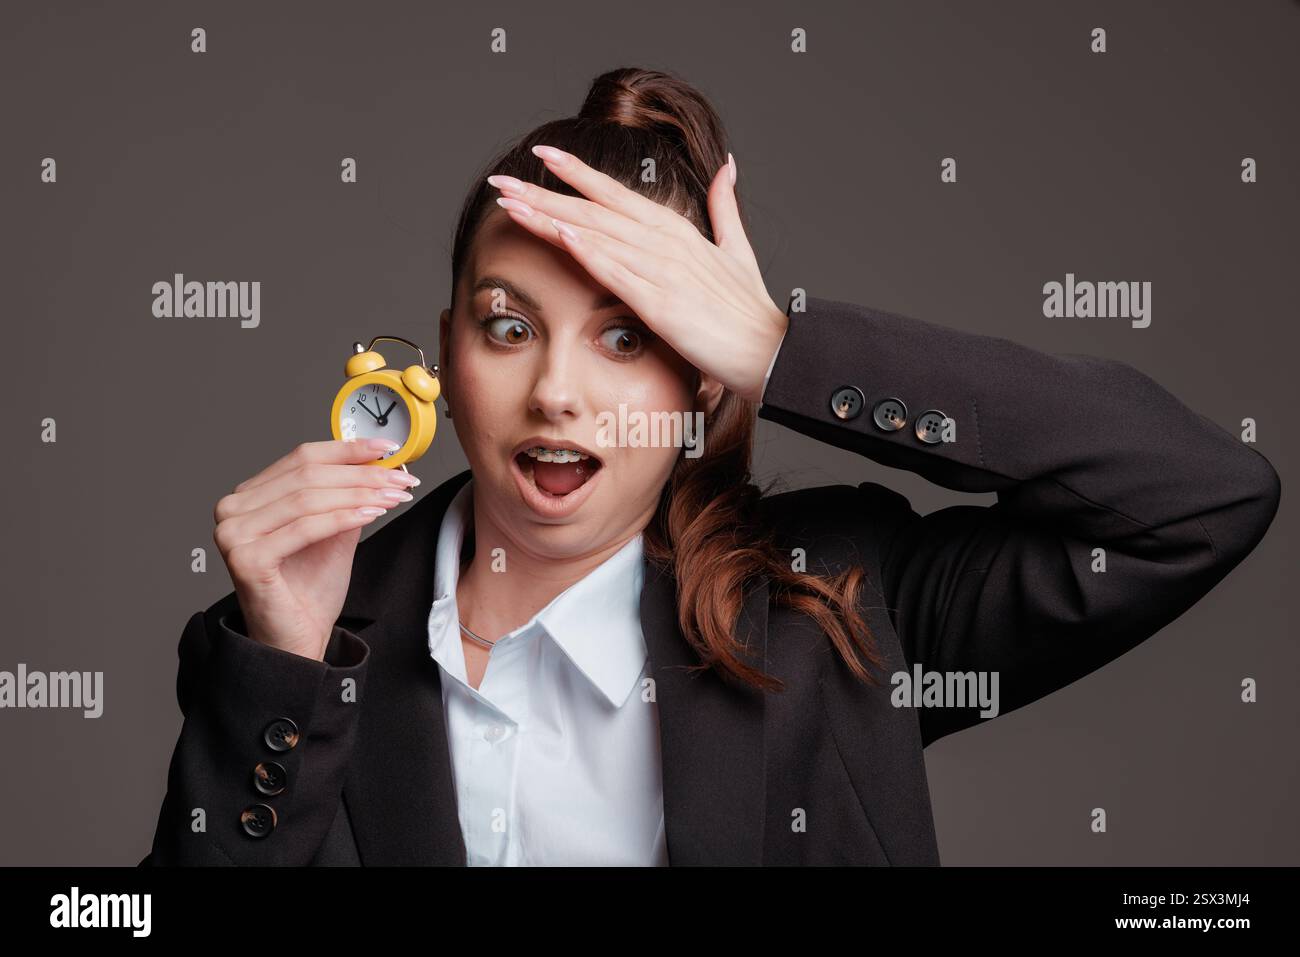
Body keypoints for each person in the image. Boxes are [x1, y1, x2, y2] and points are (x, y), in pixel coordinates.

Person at [141, 67, 1280, 866]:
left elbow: (1195, 494)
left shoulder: (837, 608)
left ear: (697, 378)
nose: (557, 393)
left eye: (628, 335)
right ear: (445, 354)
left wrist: (785, 350)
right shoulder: (283, 648)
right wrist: (285, 665)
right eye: (506, 326)